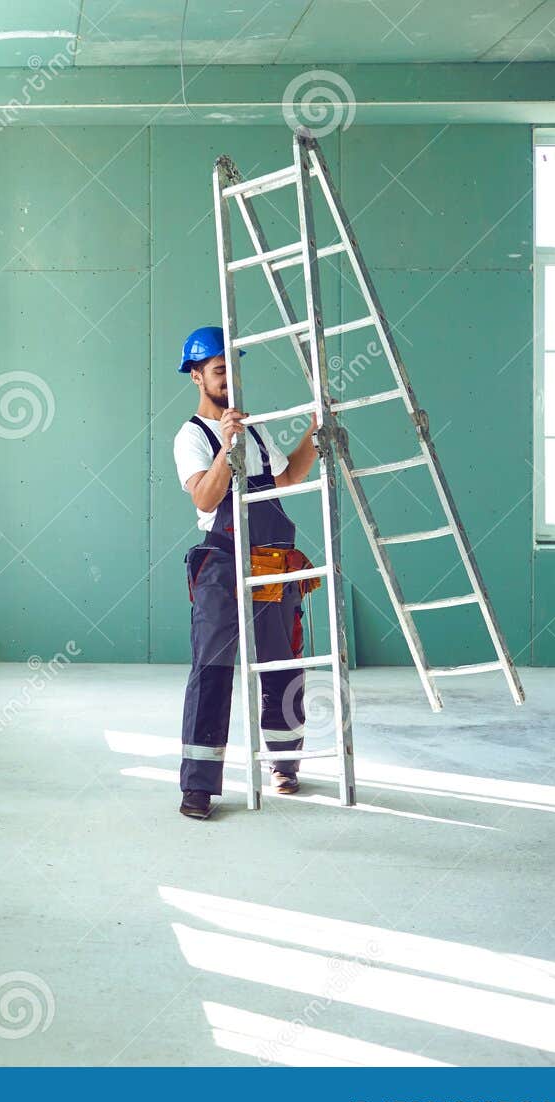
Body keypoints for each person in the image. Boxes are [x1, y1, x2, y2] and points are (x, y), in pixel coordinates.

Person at [172, 325, 320, 820]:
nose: (228, 379)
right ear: (196, 376)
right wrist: (225, 447)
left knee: (283, 666)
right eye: (218, 371)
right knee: (212, 672)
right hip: (222, 564)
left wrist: (314, 436)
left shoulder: (254, 430)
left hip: (273, 565)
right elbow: (205, 497)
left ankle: (284, 764)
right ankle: (198, 785)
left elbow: (287, 478)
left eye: (232, 369)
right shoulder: (191, 437)